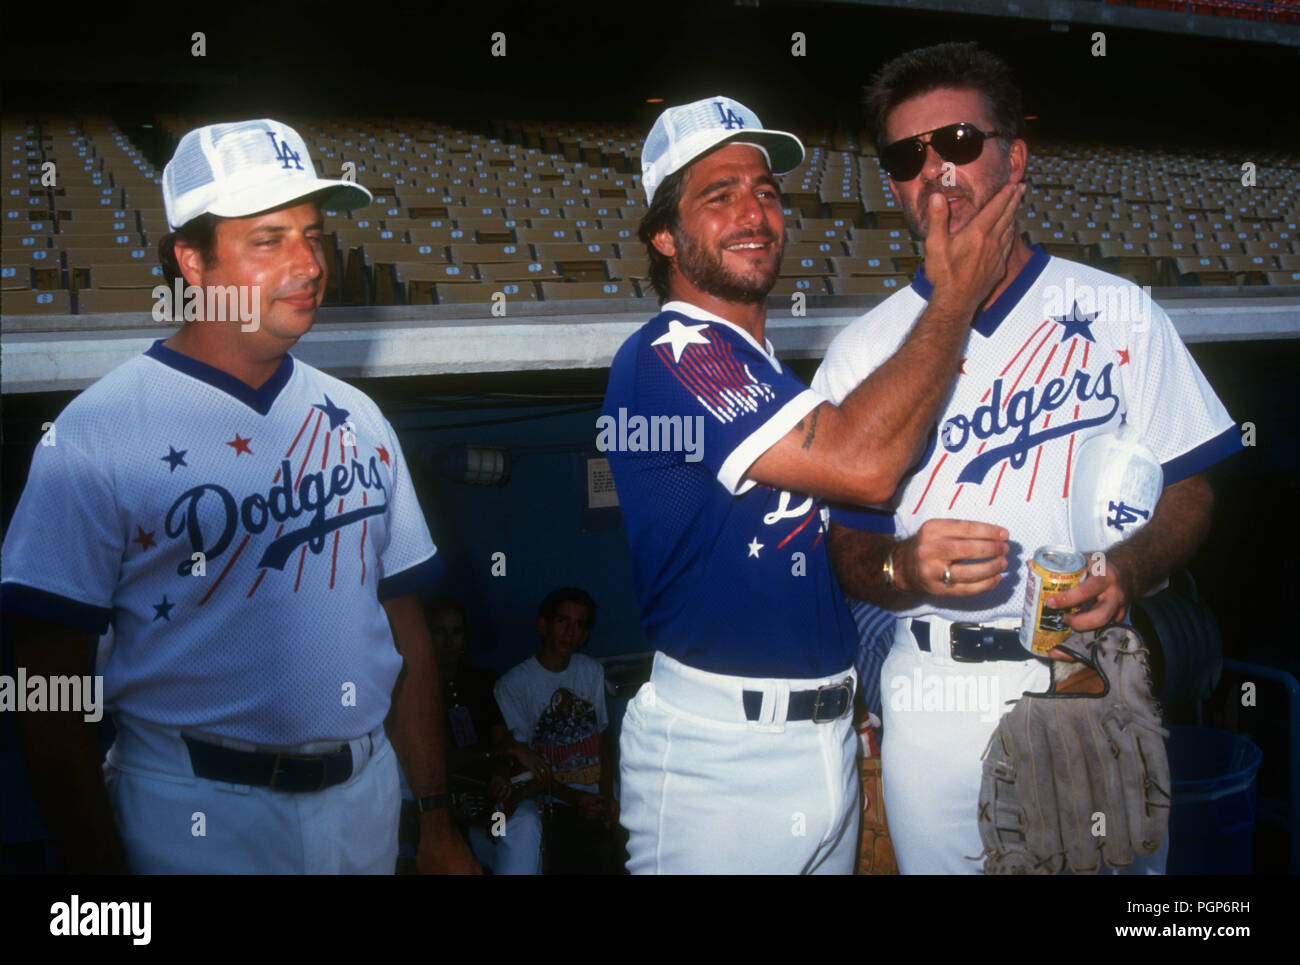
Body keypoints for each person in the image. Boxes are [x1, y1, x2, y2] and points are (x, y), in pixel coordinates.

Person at [0, 119, 478, 874]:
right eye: (269, 239)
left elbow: (403, 625)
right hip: (192, 811)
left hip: (366, 796)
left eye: (313, 235)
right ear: (192, 260)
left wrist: (439, 817)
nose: (308, 263)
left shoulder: (359, 415)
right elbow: (45, 685)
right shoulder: (96, 431)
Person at [813, 42, 1242, 874]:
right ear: (895, 182)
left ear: (1016, 155)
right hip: (938, 695)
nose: (935, 170)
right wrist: (901, 565)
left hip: (1087, 674)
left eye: (961, 143)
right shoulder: (860, 351)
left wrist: (1129, 566)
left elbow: (1192, 484)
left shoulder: (1117, 310)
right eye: (908, 155)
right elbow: (849, 550)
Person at [601, 94, 1023, 873]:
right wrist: (956, 291)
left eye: (766, 191)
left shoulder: (766, 371)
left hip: (822, 736)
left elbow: (821, 550)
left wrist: (894, 583)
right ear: (663, 235)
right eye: (717, 195)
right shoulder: (672, 349)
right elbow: (865, 462)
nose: (753, 211)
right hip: (721, 761)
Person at [412, 596, 545, 875]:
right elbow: (436, 760)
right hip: (443, 813)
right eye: (439, 632)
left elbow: (501, 740)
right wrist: (501, 754)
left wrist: (499, 777)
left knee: (525, 821)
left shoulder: (481, 681)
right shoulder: (413, 688)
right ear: (426, 634)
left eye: (456, 632)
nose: (449, 642)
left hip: (488, 810)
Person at [493, 587, 621, 874]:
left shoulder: (591, 671)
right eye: (563, 621)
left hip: (596, 793)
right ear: (543, 626)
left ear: (585, 635)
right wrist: (577, 800)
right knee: (582, 851)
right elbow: (521, 762)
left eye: (579, 625)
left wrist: (607, 796)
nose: (570, 632)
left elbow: (601, 739)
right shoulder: (514, 685)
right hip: (553, 798)